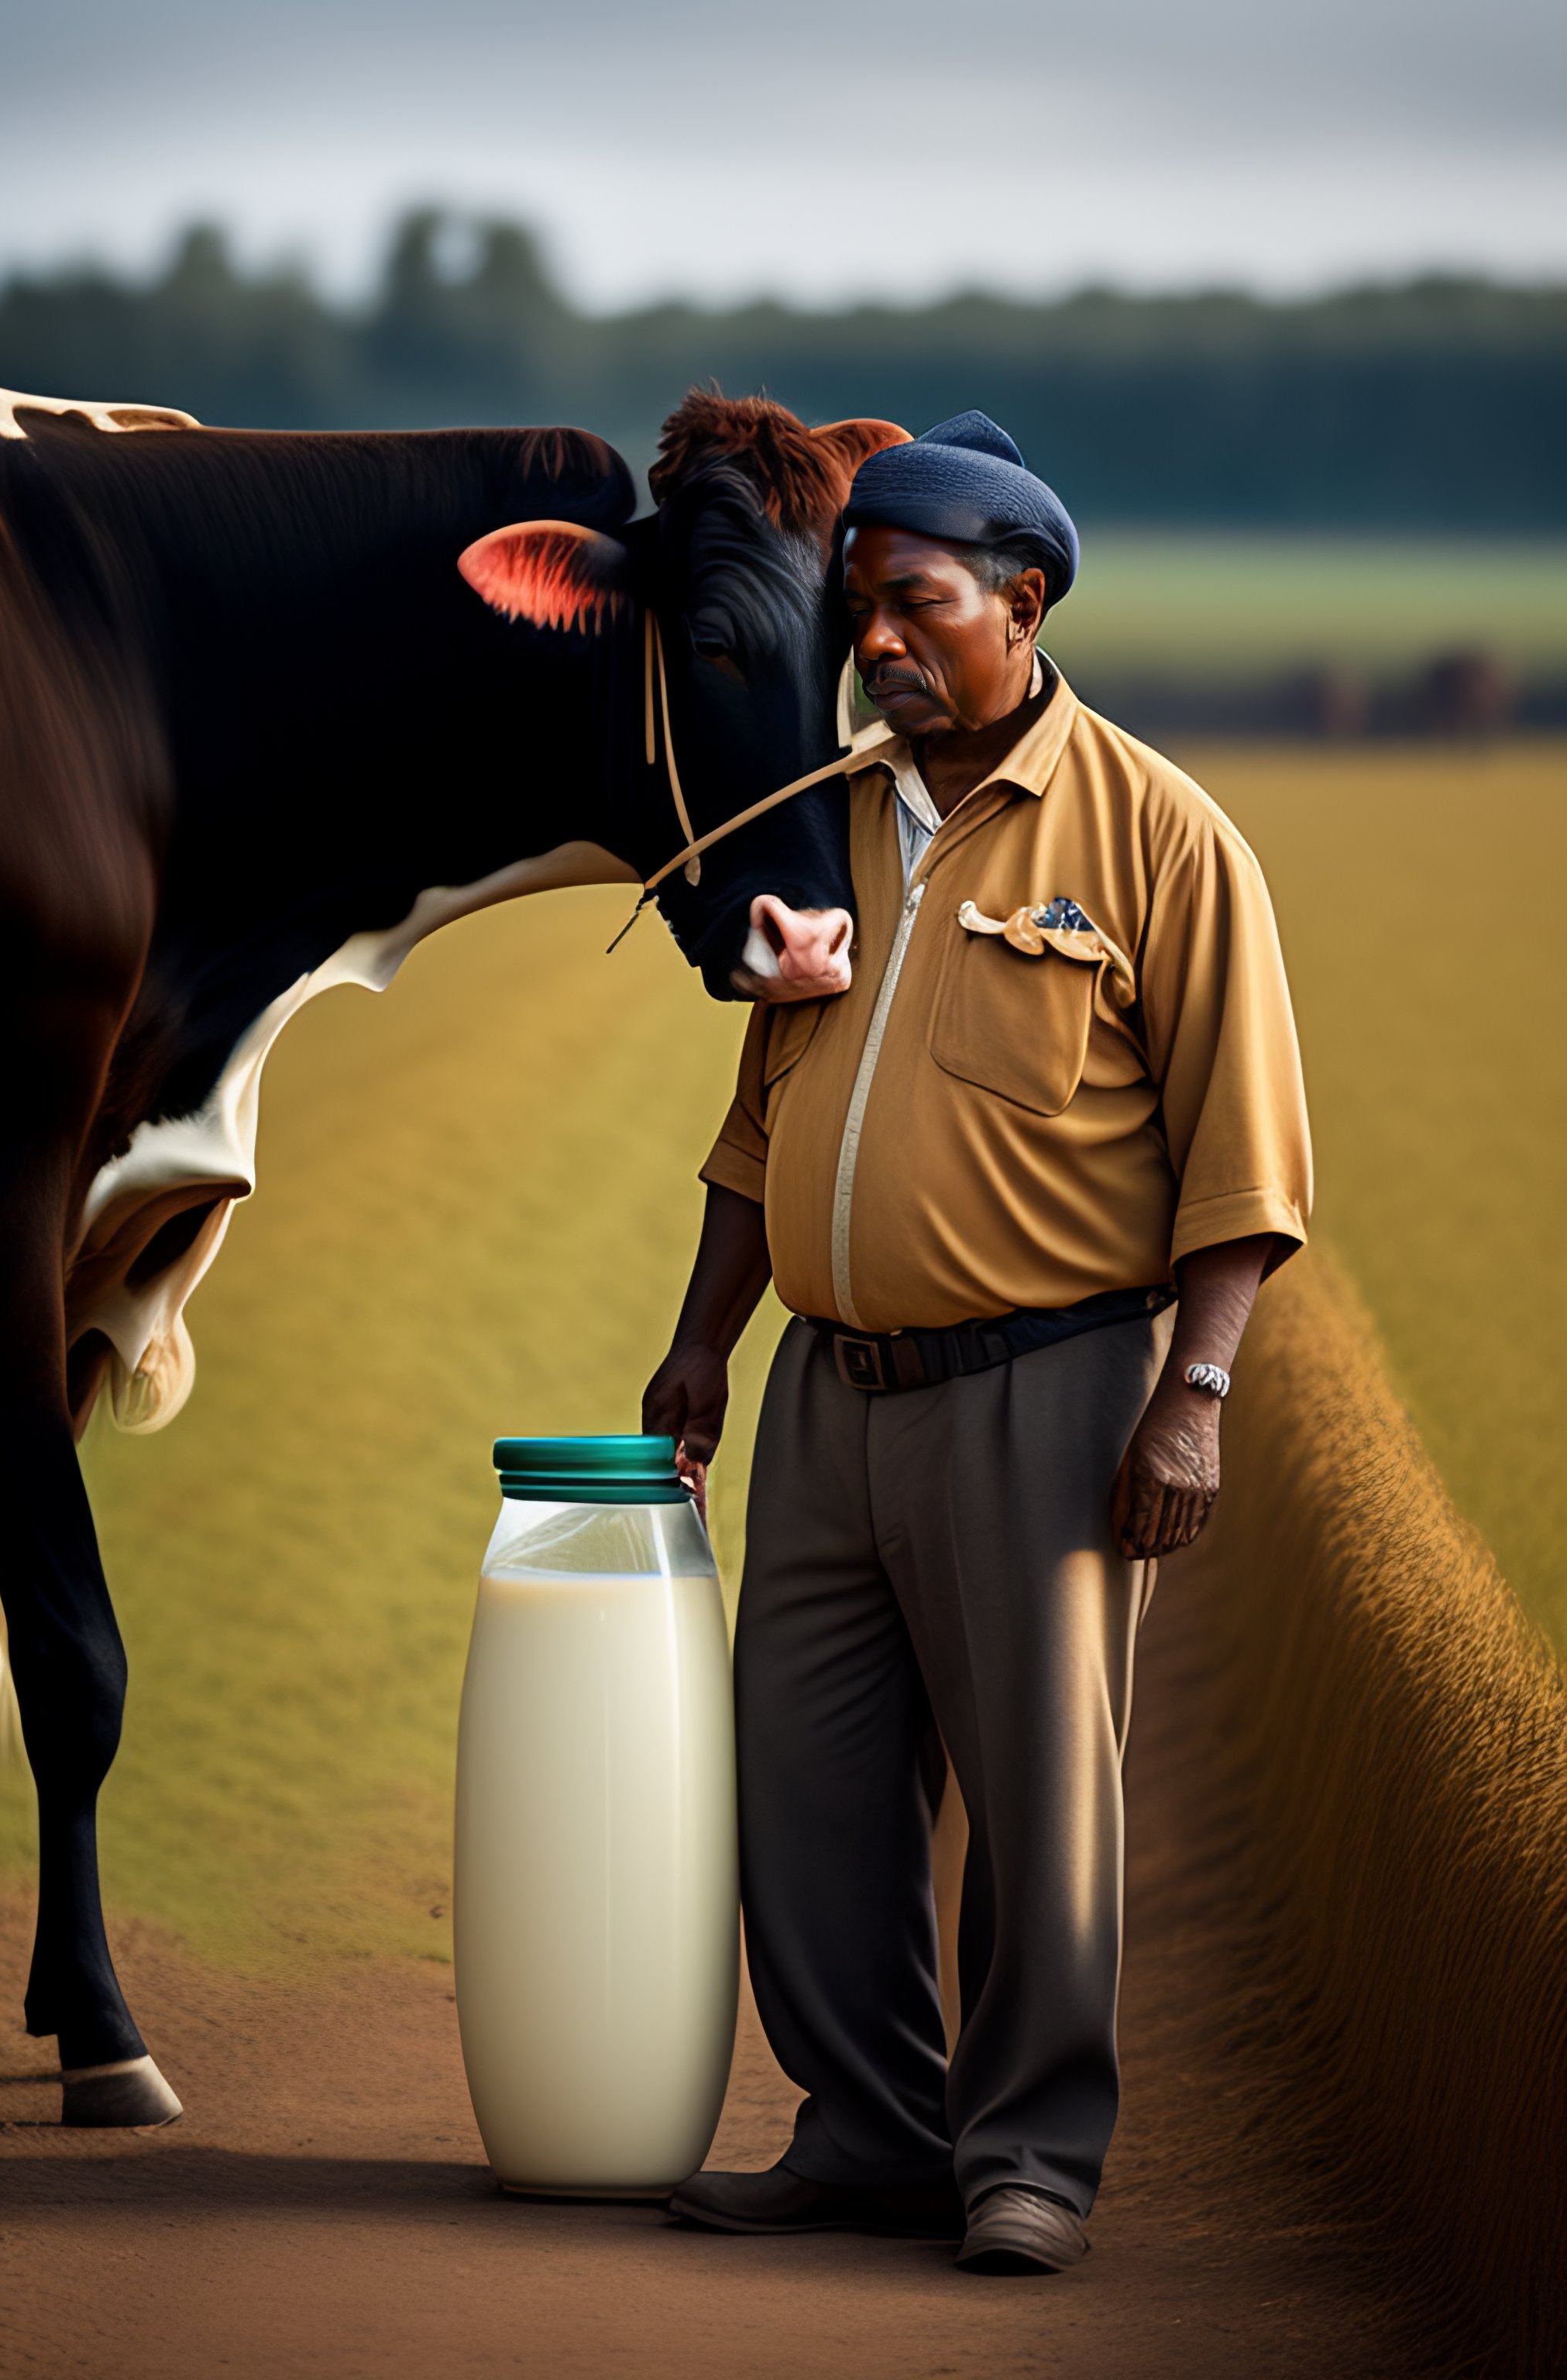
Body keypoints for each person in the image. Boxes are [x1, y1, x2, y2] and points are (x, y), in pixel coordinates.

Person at [642, 411, 1311, 2276]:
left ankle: (1028, 2155)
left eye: (916, 605)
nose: (875, 642)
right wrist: (703, 1343)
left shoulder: (1160, 837)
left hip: (1051, 1393)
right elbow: (763, 1119)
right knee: (807, 1777)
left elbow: (1247, 1165)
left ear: (1022, 605)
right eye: (861, 607)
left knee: (1038, 1797)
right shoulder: (834, 821)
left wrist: (1192, 1399)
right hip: (826, 1397)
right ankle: (869, 2128)